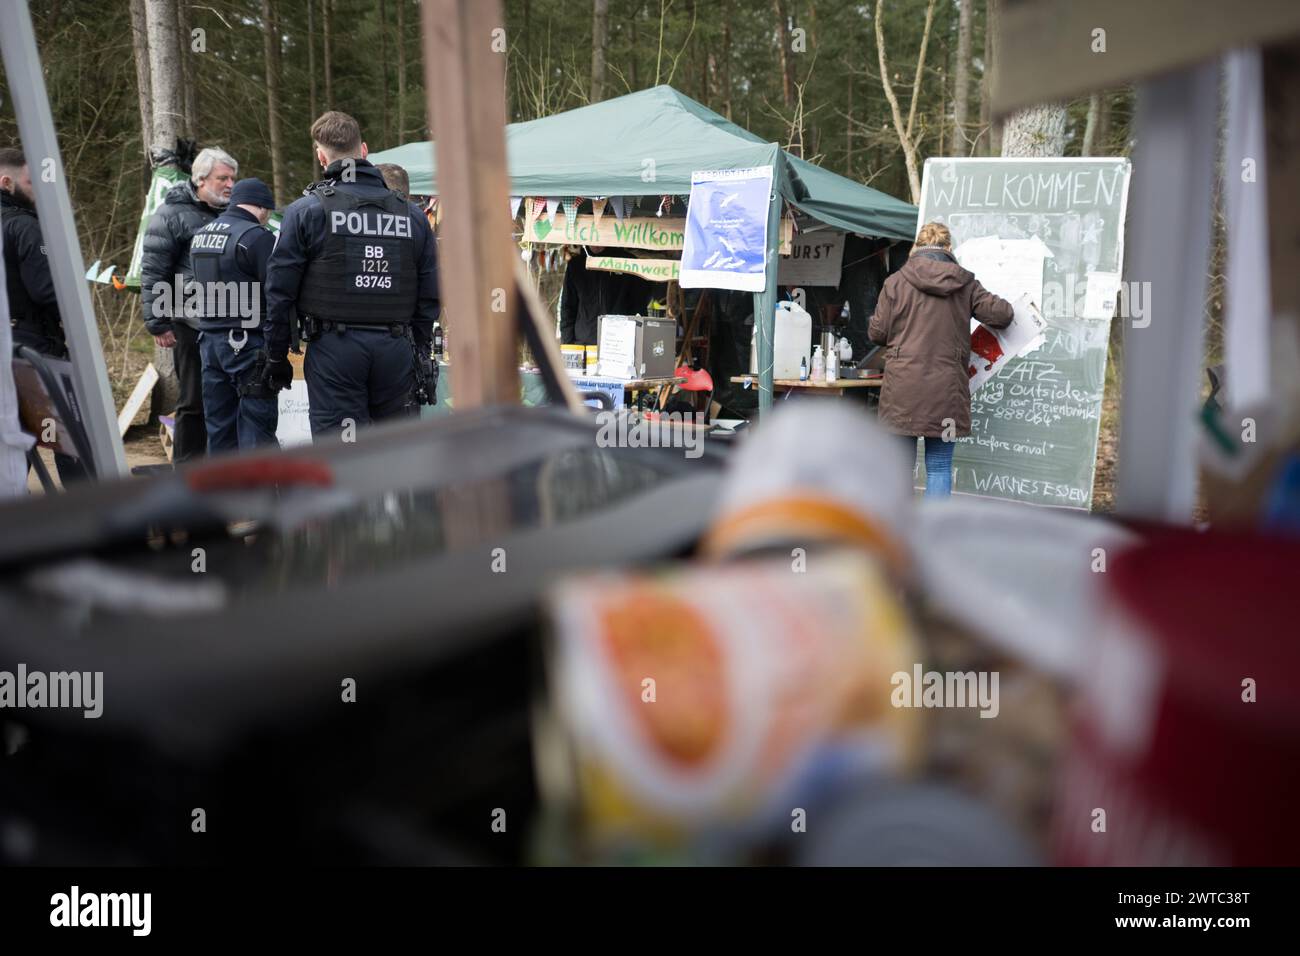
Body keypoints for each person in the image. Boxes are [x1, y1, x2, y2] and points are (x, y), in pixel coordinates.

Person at [264, 111, 439, 436]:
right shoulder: (413, 216)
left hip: (335, 351)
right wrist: (418, 347)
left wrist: (275, 355)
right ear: (364, 151)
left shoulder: (306, 212)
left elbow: (279, 292)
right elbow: (430, 291)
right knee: (396, 455)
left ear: (320, 155)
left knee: (342, 456)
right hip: (395, 349)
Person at [868, 221, 1013, 497]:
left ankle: (899, 531)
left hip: (902, 391)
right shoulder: (966, 282)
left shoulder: (895, 282)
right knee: (939, 466)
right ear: (948, 248)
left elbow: (877, 333)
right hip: (946, 393)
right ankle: (935, 535)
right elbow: (1003, 315)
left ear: (917, 247)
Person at [141, 146, 238, 463]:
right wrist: (158, 320)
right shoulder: (171, 214)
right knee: (194, 401)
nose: (230, 184)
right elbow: (154, 270)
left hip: (228, 325)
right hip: (189, 325)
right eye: (222, 178)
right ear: (200, 179)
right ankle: (186, 477)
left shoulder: (232, 214)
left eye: (233, 178)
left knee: (225, 401)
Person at [1, 146, 85, 484]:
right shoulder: (24, 227)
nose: (38, 189)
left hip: (12, 348)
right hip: (35, 355)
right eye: (30, 181)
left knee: (13, 438)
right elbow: (48, 291)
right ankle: (88, 517)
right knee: (63, 437)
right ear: (7, 182)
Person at [189, 177, 279, 453]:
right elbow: (276, 292)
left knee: (219, 430)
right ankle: (258, 496)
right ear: (262, 208)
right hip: (247, 345)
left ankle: (222, 495)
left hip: (209, 344)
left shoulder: (200, 235)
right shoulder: (256, 236)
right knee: (255, 429)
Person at [559, 246, 658, 346]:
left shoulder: (628, 262)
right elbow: (567, 308)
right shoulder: (576, 265)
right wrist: (568, 344)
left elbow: (640, 306)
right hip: (584, 345)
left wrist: (638, 343)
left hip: (620, 344)